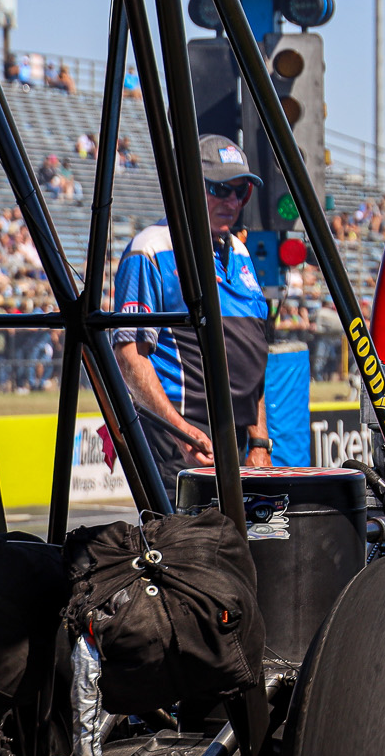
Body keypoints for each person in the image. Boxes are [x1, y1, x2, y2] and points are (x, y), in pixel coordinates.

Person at [112, 134, 273, 492]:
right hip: (179, 445)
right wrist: (179, 431)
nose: (232, 201)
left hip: (235, 443)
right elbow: (128, 354)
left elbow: (251, 358)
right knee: (183, 545)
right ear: (188, 186)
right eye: (220, 189)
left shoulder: (240, 252)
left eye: (241, 191)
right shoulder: (151, 248)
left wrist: (259, 441)